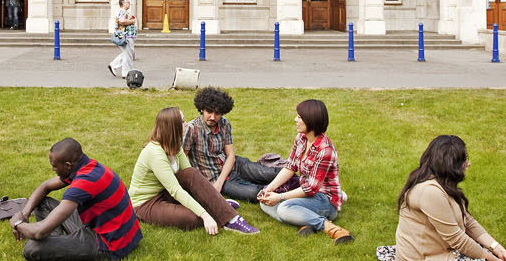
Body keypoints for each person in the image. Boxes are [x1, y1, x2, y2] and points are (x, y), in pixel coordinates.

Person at [376, 135, 506, 261]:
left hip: (442, 248)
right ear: (452, 165)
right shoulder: (430, 192)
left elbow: (468, 222)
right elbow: (456, 239)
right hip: (423, 259)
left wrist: (498, 249)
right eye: (464, 160)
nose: (468, 163)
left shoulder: (442, 183)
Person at [10, 137, 142, 261]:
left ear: (67, 165)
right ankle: (55, 240)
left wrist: (17, 223)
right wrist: (25, 214)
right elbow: (45, 186)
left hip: (109, 244)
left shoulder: (82, 184)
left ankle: (54, 241)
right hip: (116, 231)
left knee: (32, 248)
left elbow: (39, 232)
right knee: (42, 203)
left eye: (54, 166)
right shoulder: (89, 166)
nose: (52, 169)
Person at [129, 106, 260, 234]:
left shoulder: (175, 145)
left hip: (163, 192)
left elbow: (191, 176)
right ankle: (218, 207)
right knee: (193, 218)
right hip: (146, 203)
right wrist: (205, 215)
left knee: (191, 173)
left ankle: (231, 219)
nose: (187, 124)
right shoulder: (155, 153)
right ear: (173, 127)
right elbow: (176, 190)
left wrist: (212, 200)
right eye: (182, 122)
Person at [257, 99, 353, 243]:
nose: (295, 120)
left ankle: (331, 228)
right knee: (265, 202)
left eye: (299, 117)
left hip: (325, 200)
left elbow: (311, 188)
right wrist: (269, 189)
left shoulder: (325, 150)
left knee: (283, 208)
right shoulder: (301, 139)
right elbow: (290, 167)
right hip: (307, 195)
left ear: (311, 120)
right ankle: (304, 220)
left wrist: (280, 197)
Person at [181, 86, 281, 203]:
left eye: (217, 113)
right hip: (215, 178)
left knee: (273, 174)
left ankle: (295, 185)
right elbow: (182, 159)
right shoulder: (192, 128)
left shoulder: (224, 124)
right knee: (254, 193)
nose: (212, 117)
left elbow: (230, 156)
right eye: (209, 111)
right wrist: (216, 183)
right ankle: (280, 191)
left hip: (235, 165)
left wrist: (219, 183)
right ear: (202, 109)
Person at [108, 0, 137, 78]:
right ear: (122, 3)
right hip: (125, 35)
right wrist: (132, 21)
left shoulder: (123, 11)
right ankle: (126, 73)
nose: (129, 4)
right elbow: (121, 21)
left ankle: (114, 65)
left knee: (127, 54)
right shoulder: (122, 11)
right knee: (128, 55)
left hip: (125, 35)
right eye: (127, 2)